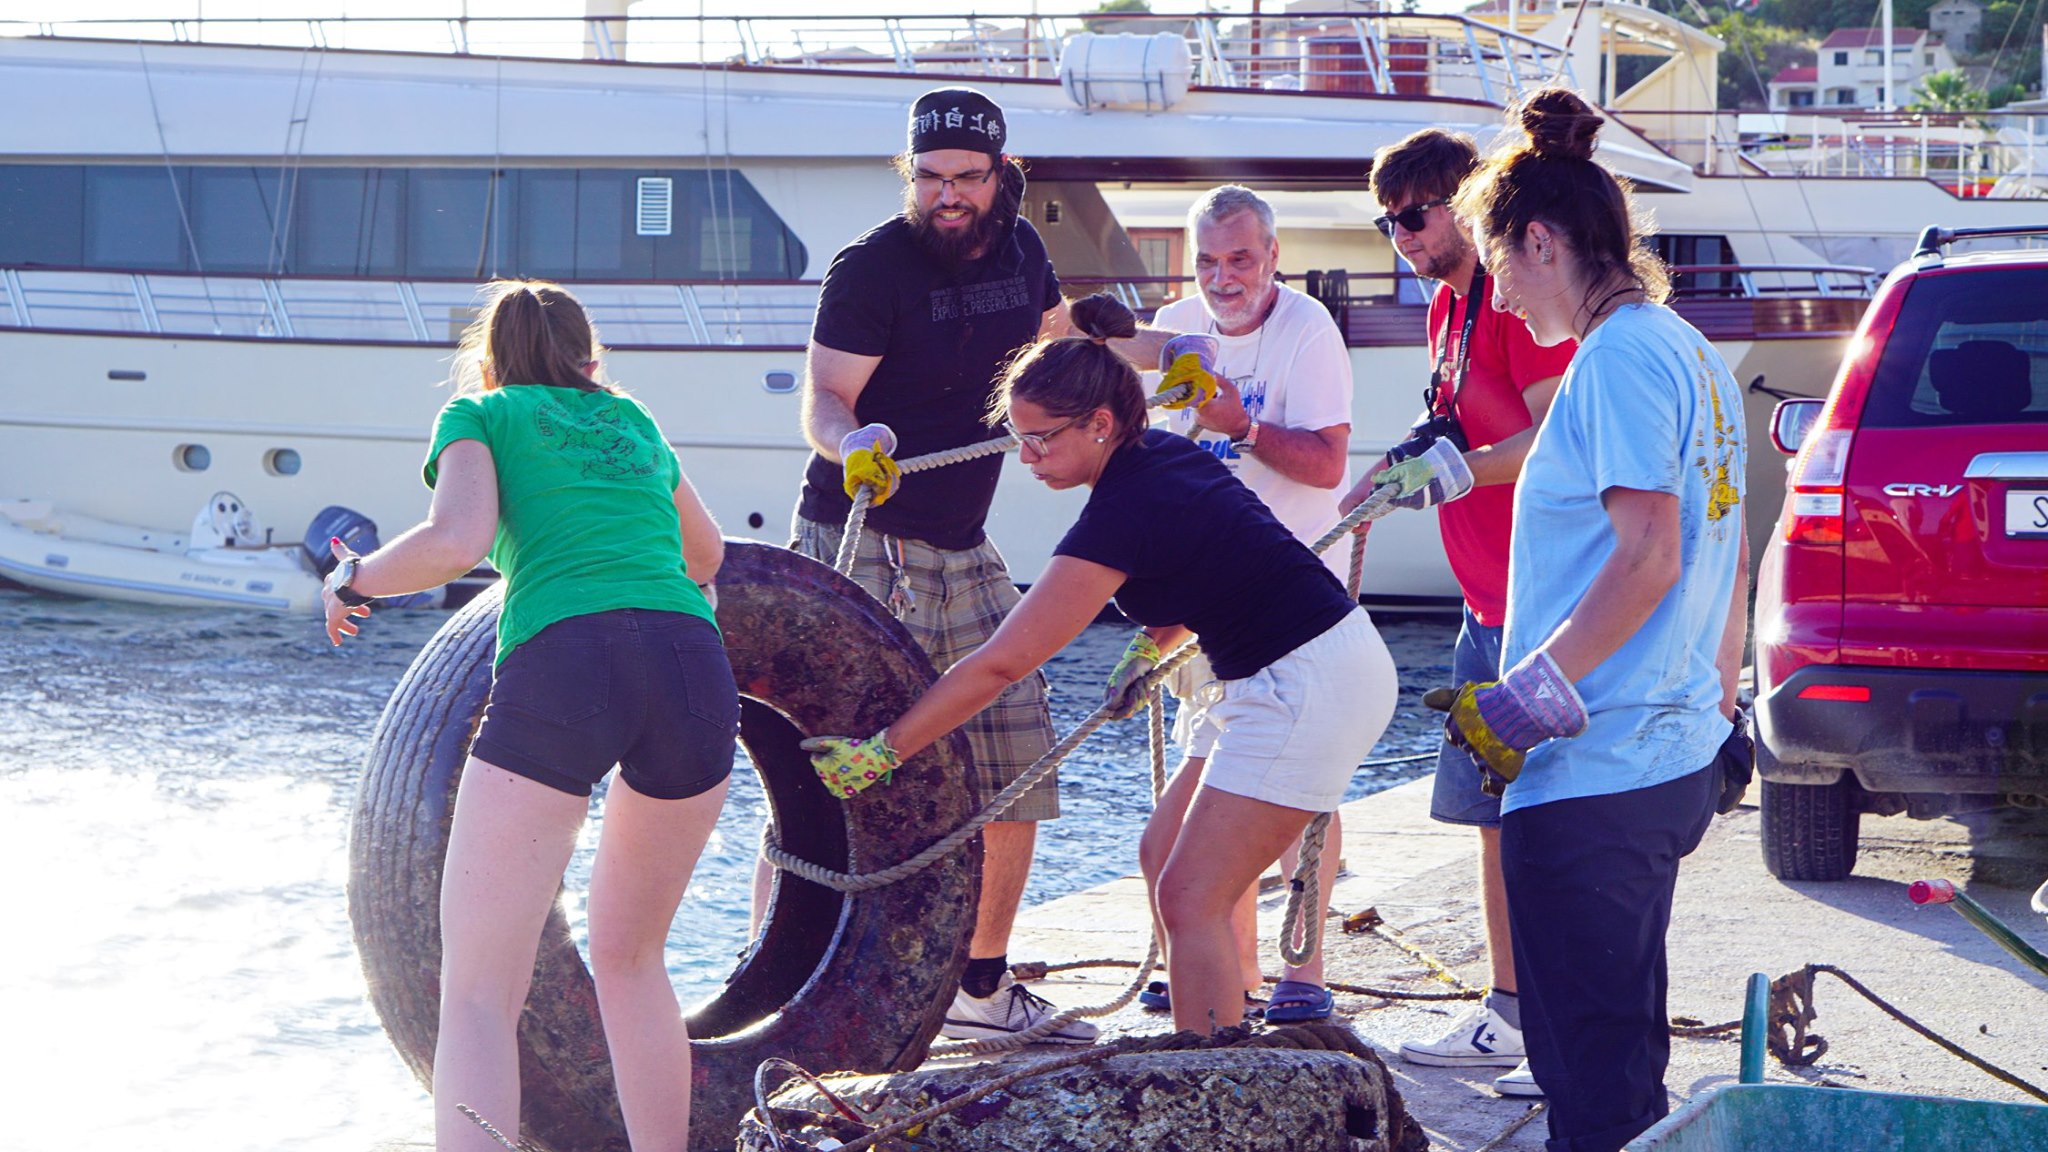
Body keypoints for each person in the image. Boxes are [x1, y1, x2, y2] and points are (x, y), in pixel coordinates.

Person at [803, 294, 1399, 1036]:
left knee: (1191, 897)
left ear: (1101, 425)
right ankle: (1218, 1035)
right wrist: (1152, 644)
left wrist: (882, 754)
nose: (1026, 460)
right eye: (1017, 440)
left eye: (1041, 441)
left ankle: (1214, 1080)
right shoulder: (1164, 459)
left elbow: (1001, 665)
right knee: (1163, 854)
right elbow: (1214, 561)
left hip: (1305, 681)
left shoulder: (1121, 512)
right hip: (1297, 666)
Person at [321, 280, 737, 1152]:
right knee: (631, 961)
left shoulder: (481, 414)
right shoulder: (633, 420)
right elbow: (707, 554)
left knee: (478, 990)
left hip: (567, 663)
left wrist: (353, 578)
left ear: (489, 359)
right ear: (591, 358)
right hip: (692, 667)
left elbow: (456, 543)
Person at [1440, 88, 1748, 1152]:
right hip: (1665, 755)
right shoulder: (1687, 351)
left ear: (1540, 241)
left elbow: (1649, 553)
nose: (1504, 302)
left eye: (1501, 272)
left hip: (1595, 772)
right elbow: (1728, 539)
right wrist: (1720, 684)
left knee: (1589, 1083)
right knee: (1621, 1057)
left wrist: (1521, 701)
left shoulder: (1612, 361)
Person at [785, 86, 1091, 1044]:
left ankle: (980, 988)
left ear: (1001, 176)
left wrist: (1167, 352)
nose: (947, 195)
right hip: (860, 537)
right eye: (929, 177)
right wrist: (852, 440)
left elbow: (1062, 347)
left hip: (962, 547)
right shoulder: (870, 268)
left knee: (1015, 759)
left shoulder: (1023, 250)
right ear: (907, 174)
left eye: (965, 176)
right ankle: (788, 980)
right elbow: (824, 400)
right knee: (820, 780)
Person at [1337, 128, 1576, 1096]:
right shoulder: (1445, 305)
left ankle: (1549, 1027)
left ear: (1467, 205)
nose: (1397, 233)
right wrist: (1404, 462)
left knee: (1543, 821)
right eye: (1383, 219)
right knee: (1491, 817)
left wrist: (1456, 472)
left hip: (1537, 603)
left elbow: (1556, 435)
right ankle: (1513, 1014)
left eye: (1412, 215)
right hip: (1484, 600)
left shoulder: (1514, 301)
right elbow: (1458, 415)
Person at [1126, 184, 1356, 1025]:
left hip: (1295, 595)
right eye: (1209, 262)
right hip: (1207, 608)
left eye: (1241, 260)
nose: (1225, 279)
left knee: (1298, 795)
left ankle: (1305, 974)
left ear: (1272, 258)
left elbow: (1328, 467)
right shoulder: (1177, 325)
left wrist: (1242, 425)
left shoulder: (1306, 330)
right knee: (1216, 789)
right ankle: (1226, 966)